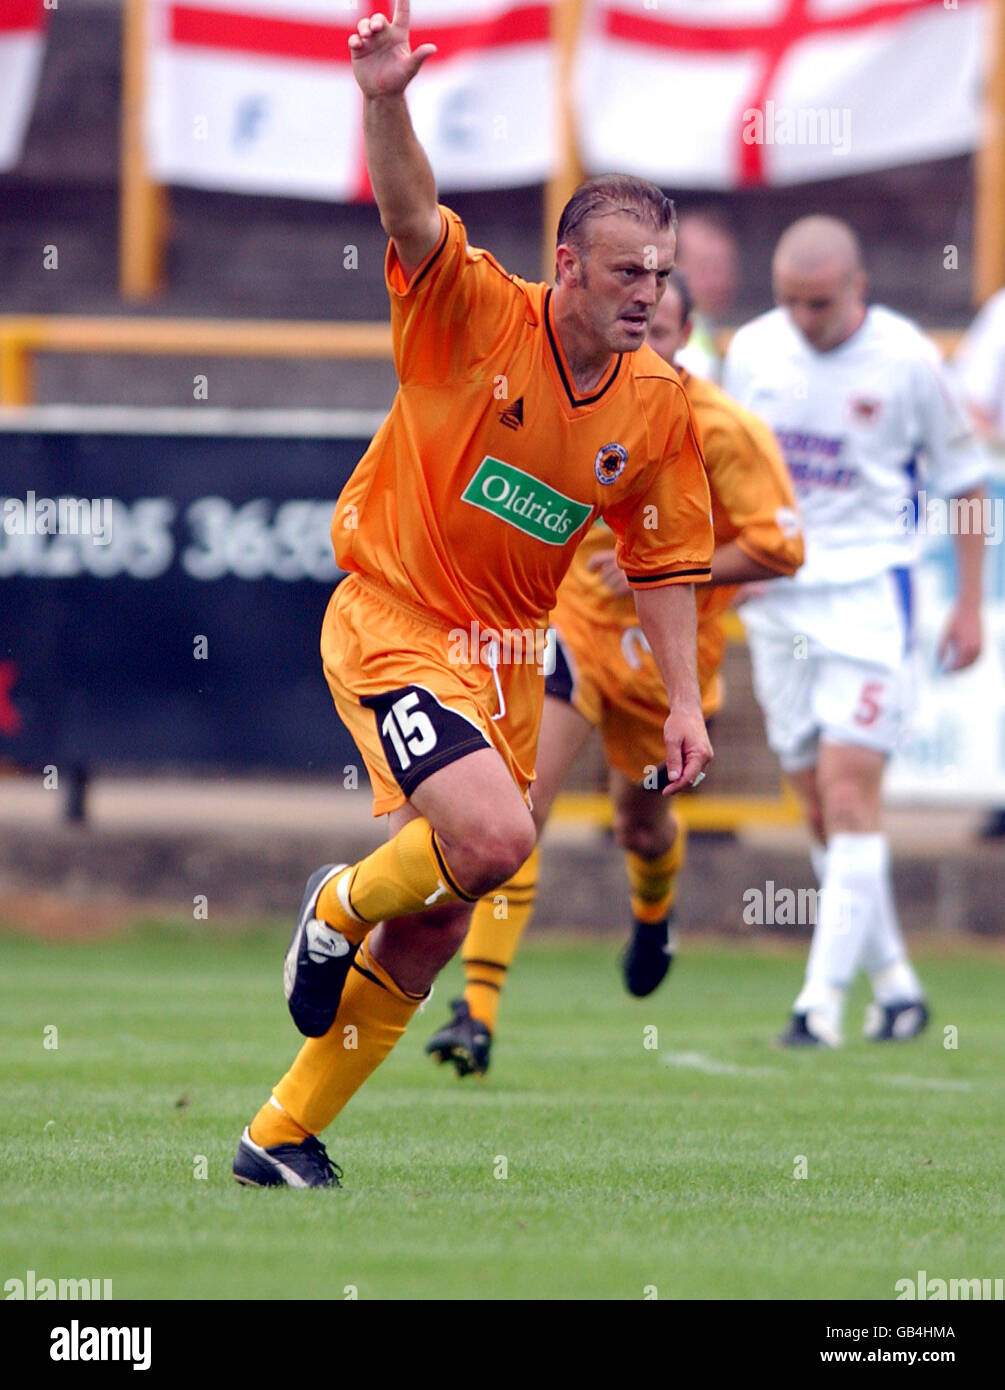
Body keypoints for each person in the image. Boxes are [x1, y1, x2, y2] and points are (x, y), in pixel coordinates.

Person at [231, 0, 715, 1188]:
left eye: (660, 272)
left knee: (445, 909)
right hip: (395, 619)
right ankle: (335, 902)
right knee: (496, 837)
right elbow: (407, 208)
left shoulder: (658, 404)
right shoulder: (472, 311)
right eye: (624, 271)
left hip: (505, 656)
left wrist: (687, 703)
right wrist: (385, 98)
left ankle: (279, 1135)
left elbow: (661, 561)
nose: (646, 291)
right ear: (566, 267)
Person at [425, 271, 804, 1077]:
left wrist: (668, 572)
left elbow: (780, 546)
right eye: (640, 325)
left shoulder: (721, 429)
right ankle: (476, 1013)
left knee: (641, 822)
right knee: (519, 807)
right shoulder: (574, 397)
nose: (647, 342)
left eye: (664, 330)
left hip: (663, 663)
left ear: (688, 337)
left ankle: (653, 907)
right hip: (572, 631)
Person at [722, 216, 988, 1048]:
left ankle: (817, 1007)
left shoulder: (907, 359)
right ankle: (900, 988)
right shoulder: (753, 353)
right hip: (778, 599)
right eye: (790, 302)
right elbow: (722, 472)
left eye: (820, 303)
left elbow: (964, 480)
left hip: (873, 596)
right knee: (819, 815)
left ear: (858, 288)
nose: (804, 318)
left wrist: (968, 603)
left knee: (847, 796)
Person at [673, 210, 739, 383]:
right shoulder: (680, 351)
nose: (718, 281)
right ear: (673, 268)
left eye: (725, 268)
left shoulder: (720, 335)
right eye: (704, 269)